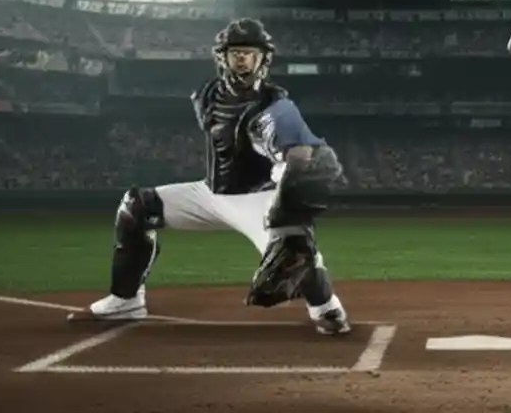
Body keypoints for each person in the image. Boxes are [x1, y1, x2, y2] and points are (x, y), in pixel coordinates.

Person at [73, 18, 351, 336]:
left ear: (263, 59)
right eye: (235, 53)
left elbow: (299, 153)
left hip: (257, 199)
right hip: (211, 193)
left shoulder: (277, 105)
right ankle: (126, 300)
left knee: (294, 249)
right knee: (136, 206)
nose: (242, 59)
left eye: (250, 53)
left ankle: (326, 308)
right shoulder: (206, 95)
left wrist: (284, 201)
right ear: (222, 57)